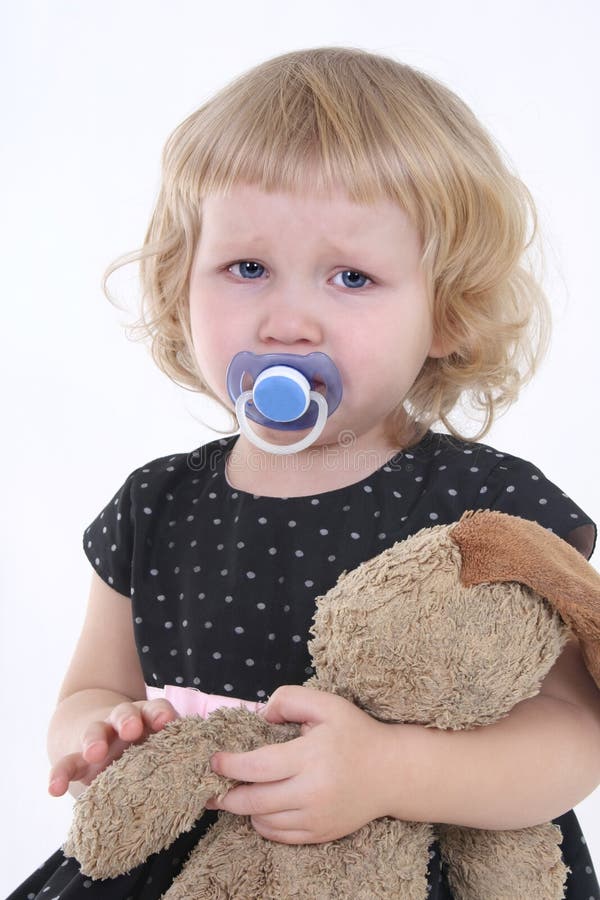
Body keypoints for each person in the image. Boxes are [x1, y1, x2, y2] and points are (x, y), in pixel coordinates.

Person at [8, 45, 600, 899]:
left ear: (447, 310)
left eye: (351, 276)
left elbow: (575, 735)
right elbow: (92, 688)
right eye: (247, 269)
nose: (289, 321)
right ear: (182, 289)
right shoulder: (157, 502)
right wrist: (103, 731)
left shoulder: (488, 507)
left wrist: (391, 772)